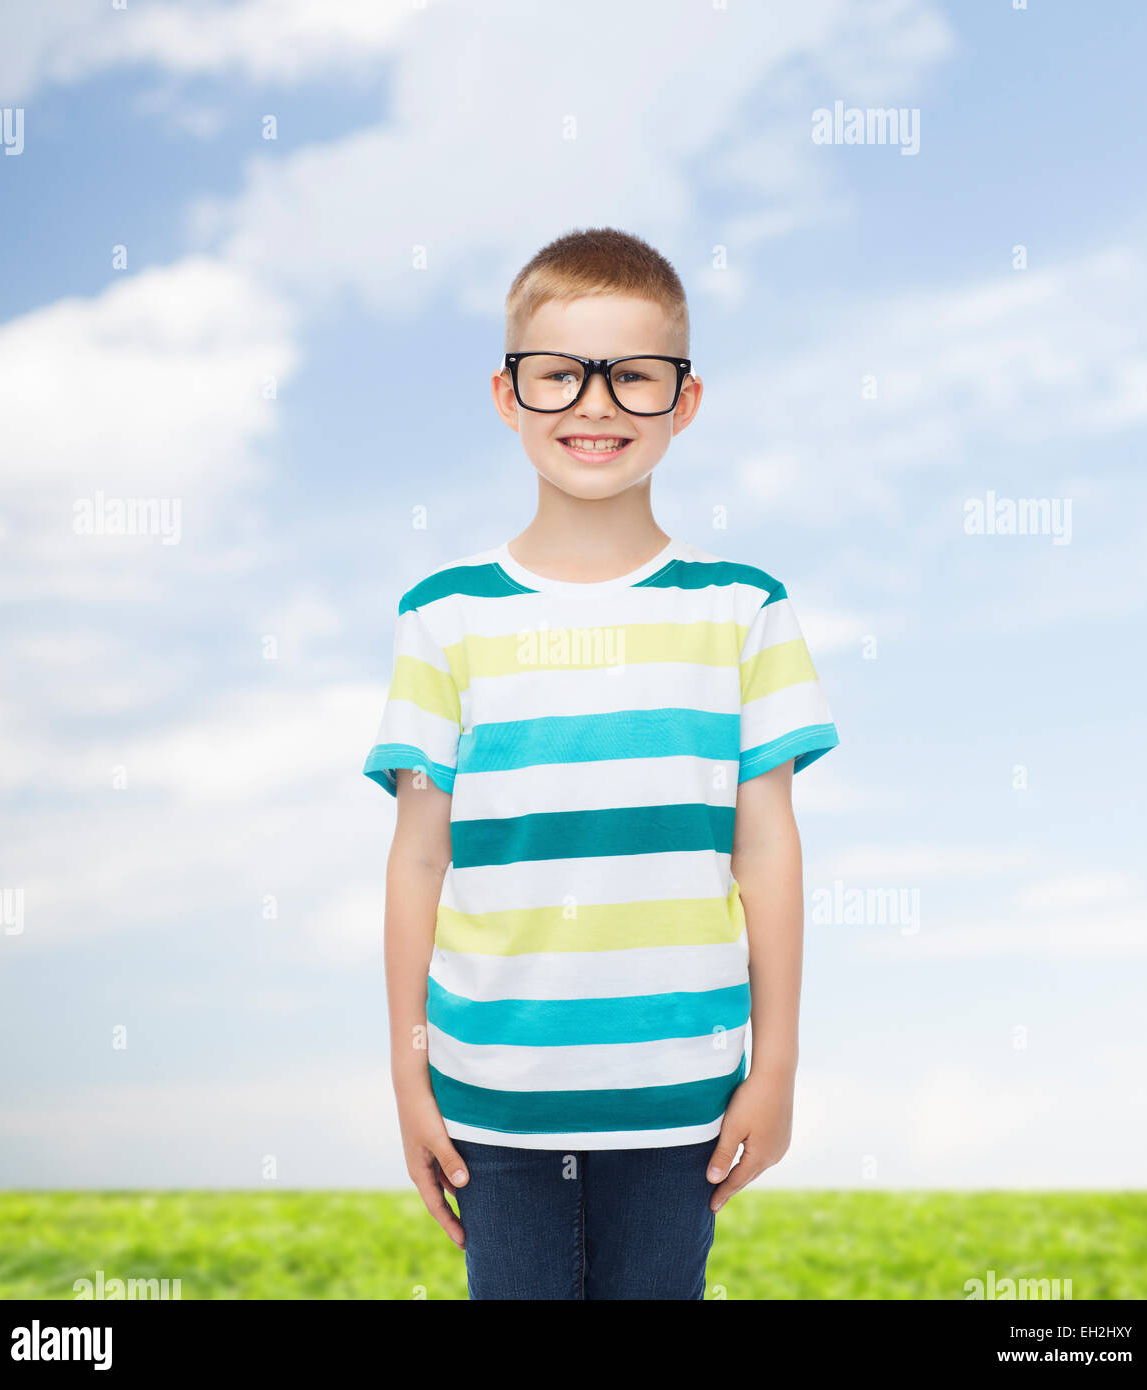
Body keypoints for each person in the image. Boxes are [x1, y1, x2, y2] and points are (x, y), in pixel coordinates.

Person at [363, 226, 840, 1299]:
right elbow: (417, 861)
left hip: (685, 1099)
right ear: (507, 393)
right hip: (494, 1101)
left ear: (685, 400)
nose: (595, 405)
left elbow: (766, 848)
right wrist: (409, 1073)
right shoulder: (442, 619)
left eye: (633, 376)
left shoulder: (742, 609)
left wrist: (778, 1064)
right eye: (559, 375)